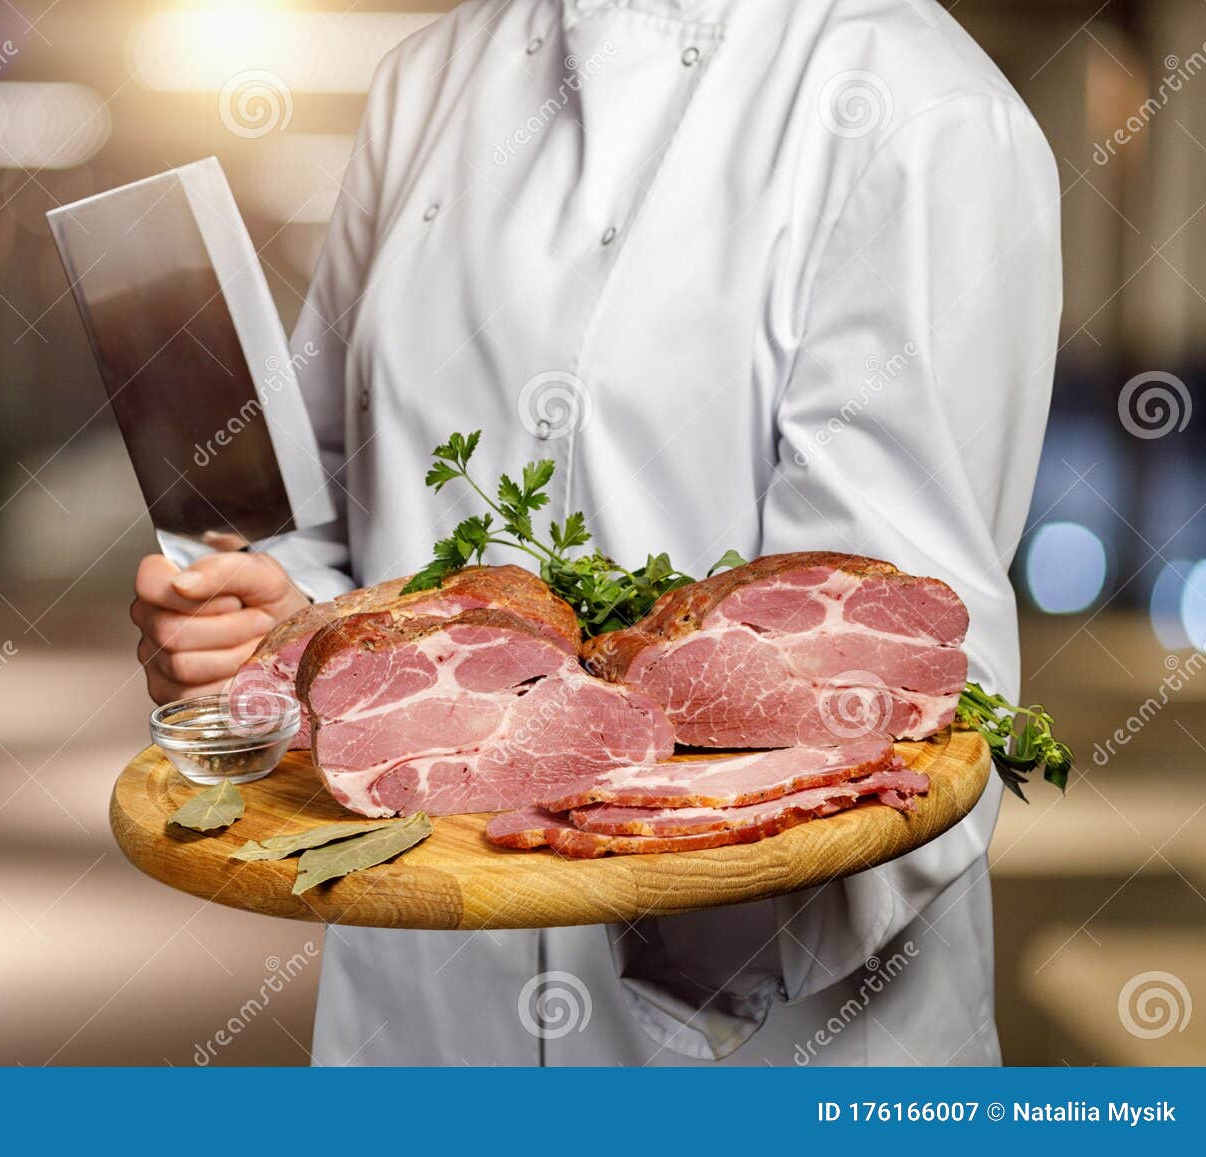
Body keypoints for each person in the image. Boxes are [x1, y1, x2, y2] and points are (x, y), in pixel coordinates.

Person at [131, 0, 1061, 1065]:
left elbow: (872, 683)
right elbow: (337, 512)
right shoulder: (422, 83)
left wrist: (674, 937)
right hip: (419, 1015)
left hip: (767, 1042)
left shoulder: (912, 104)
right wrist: (268, 621)